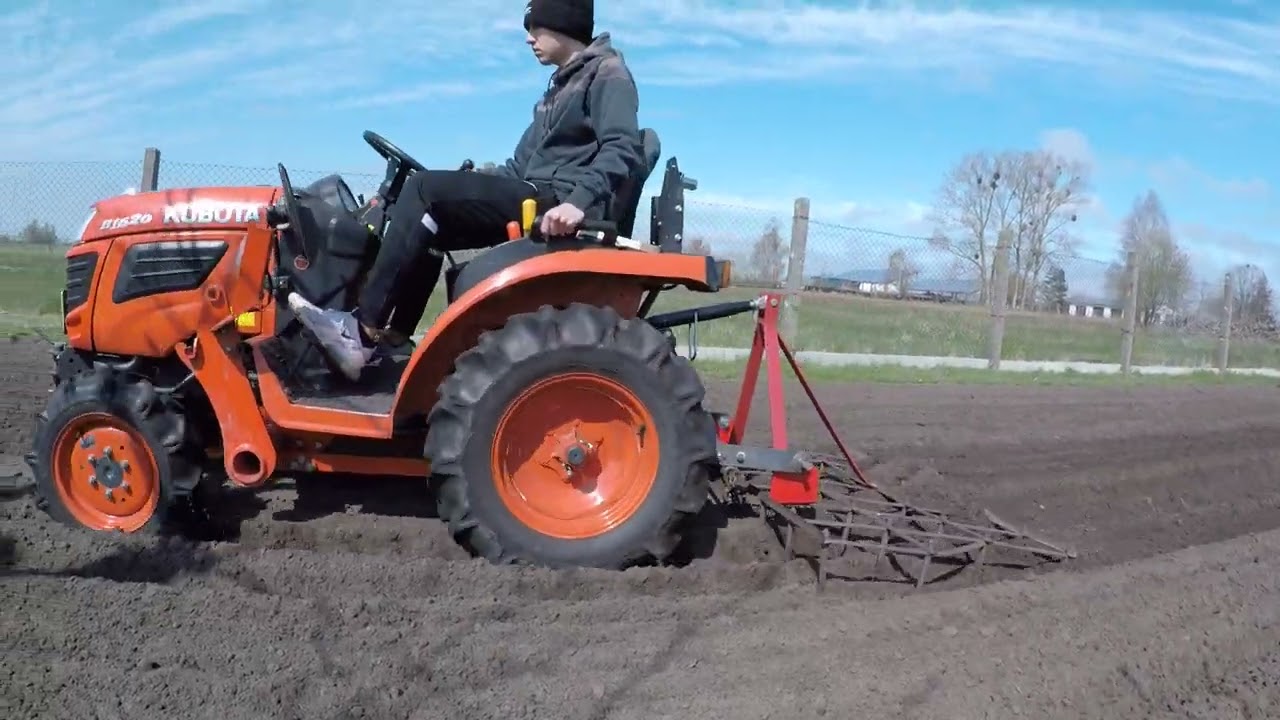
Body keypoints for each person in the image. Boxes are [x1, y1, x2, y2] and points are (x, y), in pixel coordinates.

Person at [287, 0, 644, 381]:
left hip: (556, 202)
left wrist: (578, 202)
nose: (529, 39)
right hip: (534, 192)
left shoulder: (607, 73)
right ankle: (392, 337)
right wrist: (471, 181)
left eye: (535, 29)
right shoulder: (557, 90)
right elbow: (517, 168)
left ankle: (360, 331)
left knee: (423, 190)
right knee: (430, 214)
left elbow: (623, 147)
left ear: (563, 26)